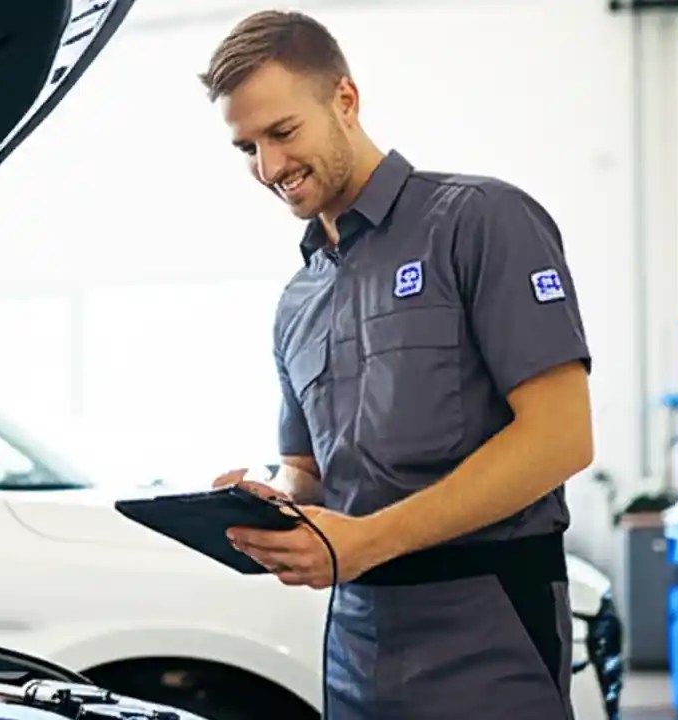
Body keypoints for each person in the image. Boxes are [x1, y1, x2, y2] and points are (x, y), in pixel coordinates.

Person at [200, 10, 594, 720]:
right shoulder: (299, 299)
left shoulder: (480, 220)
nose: (269, 169)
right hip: (356, 645)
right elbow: (310, 473)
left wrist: (366, 542)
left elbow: (562, 438)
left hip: (490, 630)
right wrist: (274, 502)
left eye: (283, 133)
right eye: (246, 148)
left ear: (344, 101)